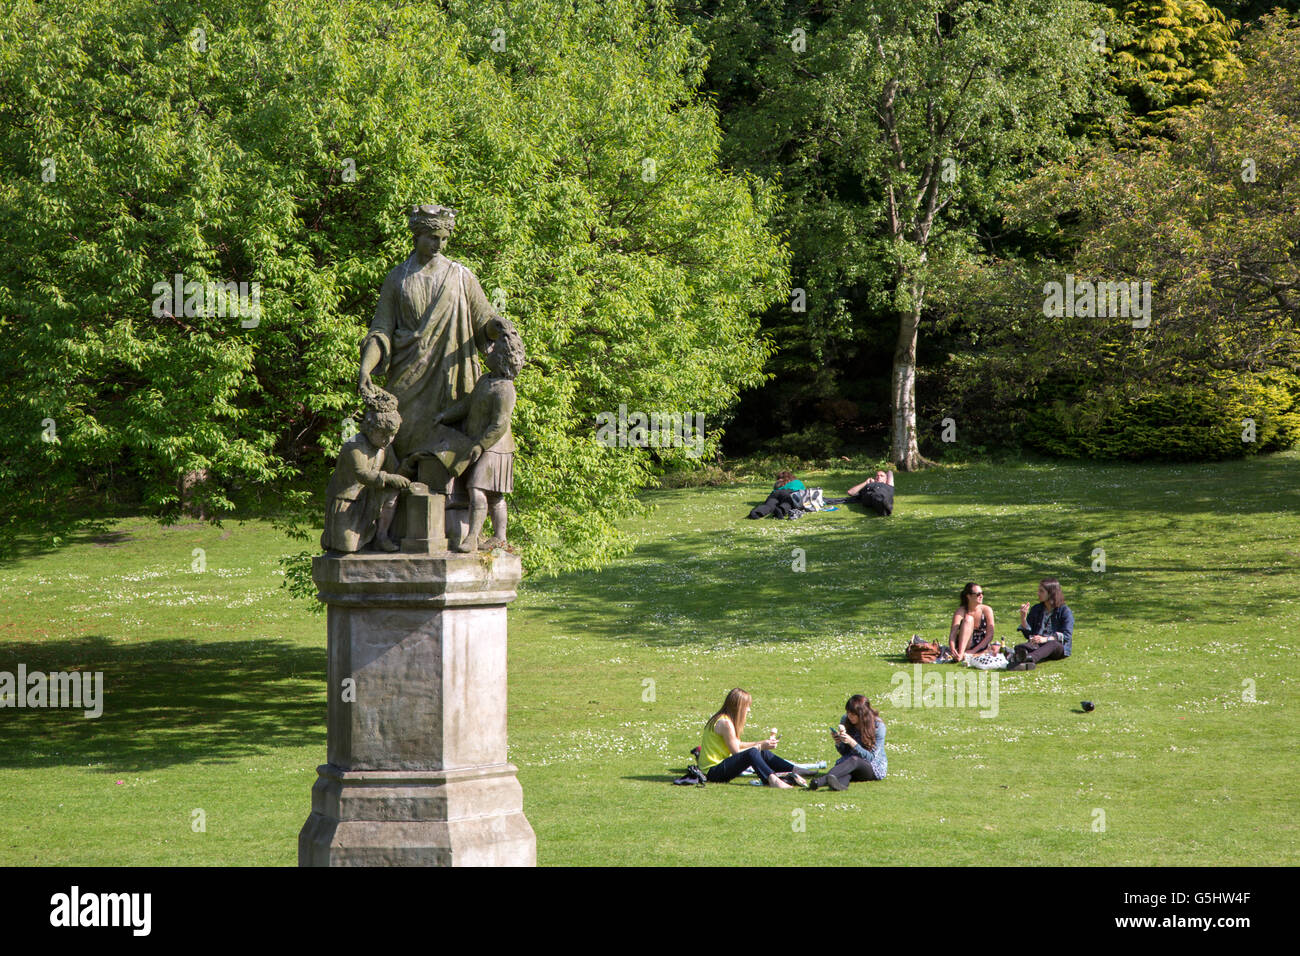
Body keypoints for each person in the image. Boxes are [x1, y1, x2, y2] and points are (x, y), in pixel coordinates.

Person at [320, 390, 414, 553]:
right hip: (347, 501)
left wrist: (410, 463)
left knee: (392, 491)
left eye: (392, 435)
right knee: (347, 547)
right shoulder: (355, 445)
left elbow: (395, 471)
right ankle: (332, 534)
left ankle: (381, 536)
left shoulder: (385, 447)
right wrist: (390, 477)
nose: (388, 440)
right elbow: (362, 474)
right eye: (383, 434)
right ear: (370, 428)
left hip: (369, 497)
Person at [698, 688, 806, 788]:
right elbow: (737, 752)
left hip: (716, 768)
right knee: (753, 753)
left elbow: (737, 744)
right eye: (747, 706)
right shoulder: (725, 723)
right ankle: (773, 780)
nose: (749, 710)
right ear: (738, 707)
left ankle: (795, 769)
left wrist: (762, 743)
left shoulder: (724, 719)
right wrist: (760, 746)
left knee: (762, 752)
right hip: (712, 772)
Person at [809, 694, 886, 791]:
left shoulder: (878, 726)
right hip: (850, 763)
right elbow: (844, 752)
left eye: (853, 714)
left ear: (862, 714)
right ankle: (840, 786)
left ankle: (820, 781)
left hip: (872, 767)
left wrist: (852, 742)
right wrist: (839, 742)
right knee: (846, 770)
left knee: (854, 760)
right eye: (848, 713)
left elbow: (871, 757)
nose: (850, 717)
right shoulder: (845, 720)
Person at [1007, 577, 1074, 670]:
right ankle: (1024, 663)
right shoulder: (1036, 609)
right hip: (1038, 645)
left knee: (1052, 644)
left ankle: (1027, 658)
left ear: (1051, 593)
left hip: (1057, 646)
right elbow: (1028, 634)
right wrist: (1023, 617)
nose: (1038, 593)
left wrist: (1045, 639)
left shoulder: (1064, 611)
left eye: (1041, 591)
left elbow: (1066, 636)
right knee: (1019, 647)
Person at [944, 582, 999, 663]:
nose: (981, 596)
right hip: (965, 644)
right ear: (968, 596)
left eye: (982, 593)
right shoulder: (961, 611)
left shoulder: (987, 610)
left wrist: (973, 651)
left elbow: (990, 635)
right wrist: (952, 649)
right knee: (968, 619)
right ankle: (961, 654)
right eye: (978, 594)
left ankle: (966, 655)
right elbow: (953, 633)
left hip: (980, 644)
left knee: (995, 648)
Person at [826, 469, 894, 516]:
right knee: (875, 496)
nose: (879, 477)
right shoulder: (869, 485)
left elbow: (890, 472)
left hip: (883, 493)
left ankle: (884, 507)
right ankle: (884, 509)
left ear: (886, 479)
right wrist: (866, 482)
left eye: (882, 476)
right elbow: (850, 492)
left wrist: (885, 477)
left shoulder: (888, 485)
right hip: (869, 496)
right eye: (877, 475)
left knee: (880, 495)